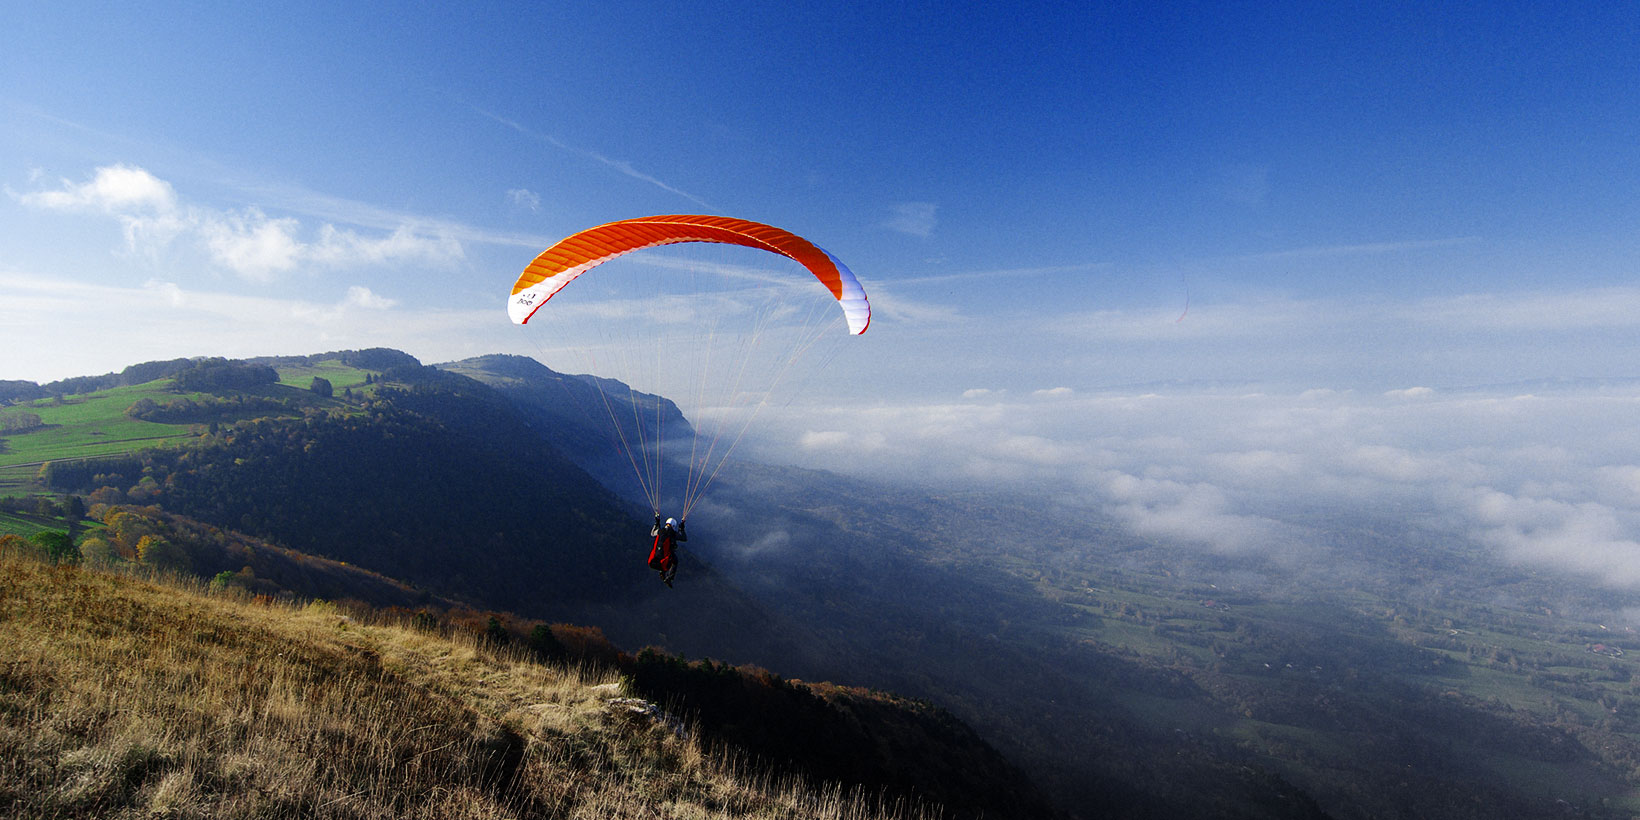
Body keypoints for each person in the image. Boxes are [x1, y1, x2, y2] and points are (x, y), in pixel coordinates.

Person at [649, 514, 686, 587]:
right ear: (673, 526)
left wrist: (656, 523)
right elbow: (684, 538)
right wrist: (681, 529)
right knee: (674, 561)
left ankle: (663, 573)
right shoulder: (673, 534)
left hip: (655, 559)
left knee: (666, 557)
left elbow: (652, 533)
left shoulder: (660, 531)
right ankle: (669, 577)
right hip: (664, 560)